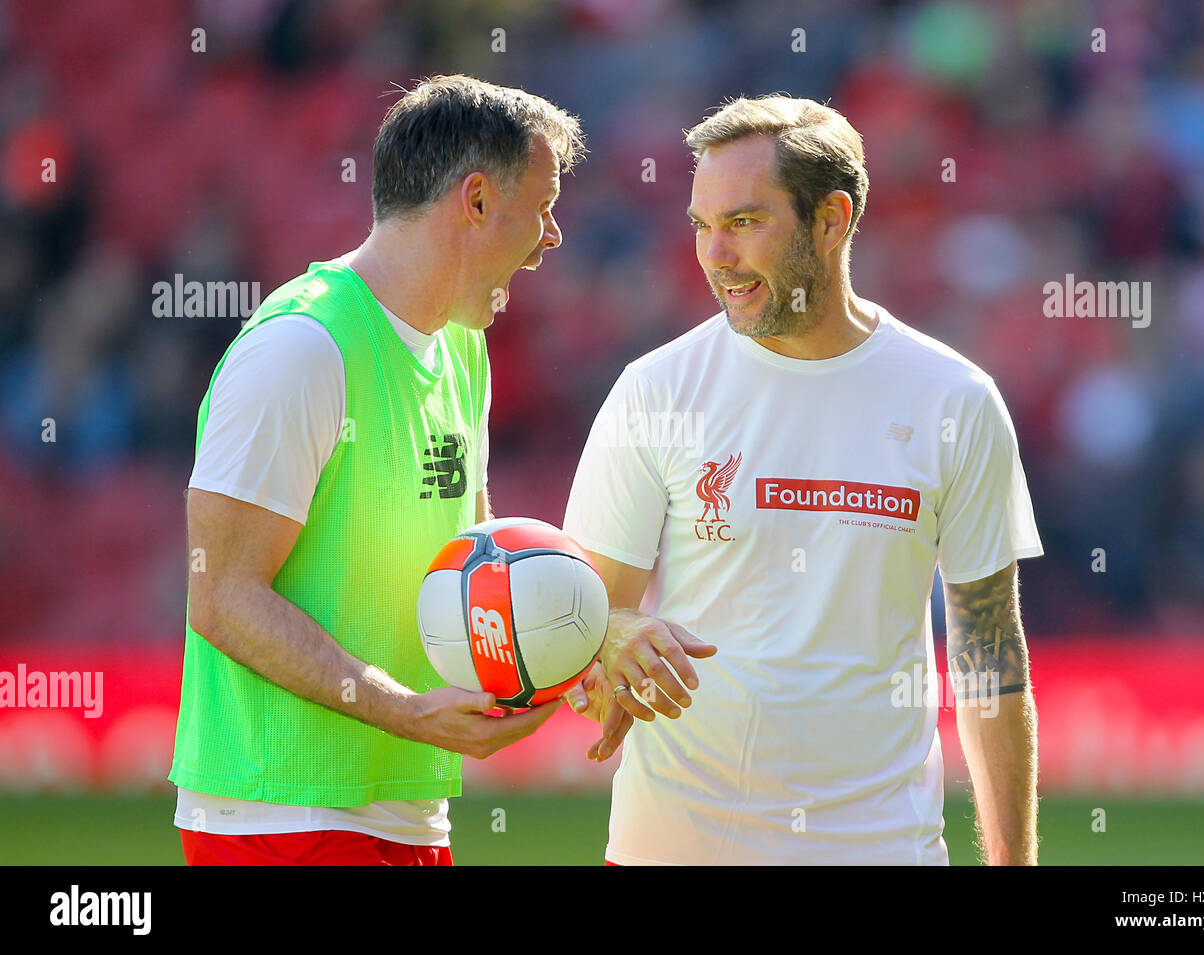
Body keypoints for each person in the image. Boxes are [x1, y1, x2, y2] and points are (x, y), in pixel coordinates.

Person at [563, 95, 1043, 865]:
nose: (715, 254)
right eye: (701, 225)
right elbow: (582, 613)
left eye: (744, 223)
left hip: (881, 848)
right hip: (672, 847)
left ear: (831, 220)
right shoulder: (656, 390)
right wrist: (610, 636)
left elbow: (990, 653)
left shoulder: (954, 399)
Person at [169, 75, 585, 866]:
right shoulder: (302, 346)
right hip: (279, 817)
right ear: (474, 201)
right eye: (543, 204)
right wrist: (405, 710)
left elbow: (472, 571)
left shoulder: (463, 346)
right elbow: (220, 595)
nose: (553, 234)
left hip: (405, 811)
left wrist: (581, 646)